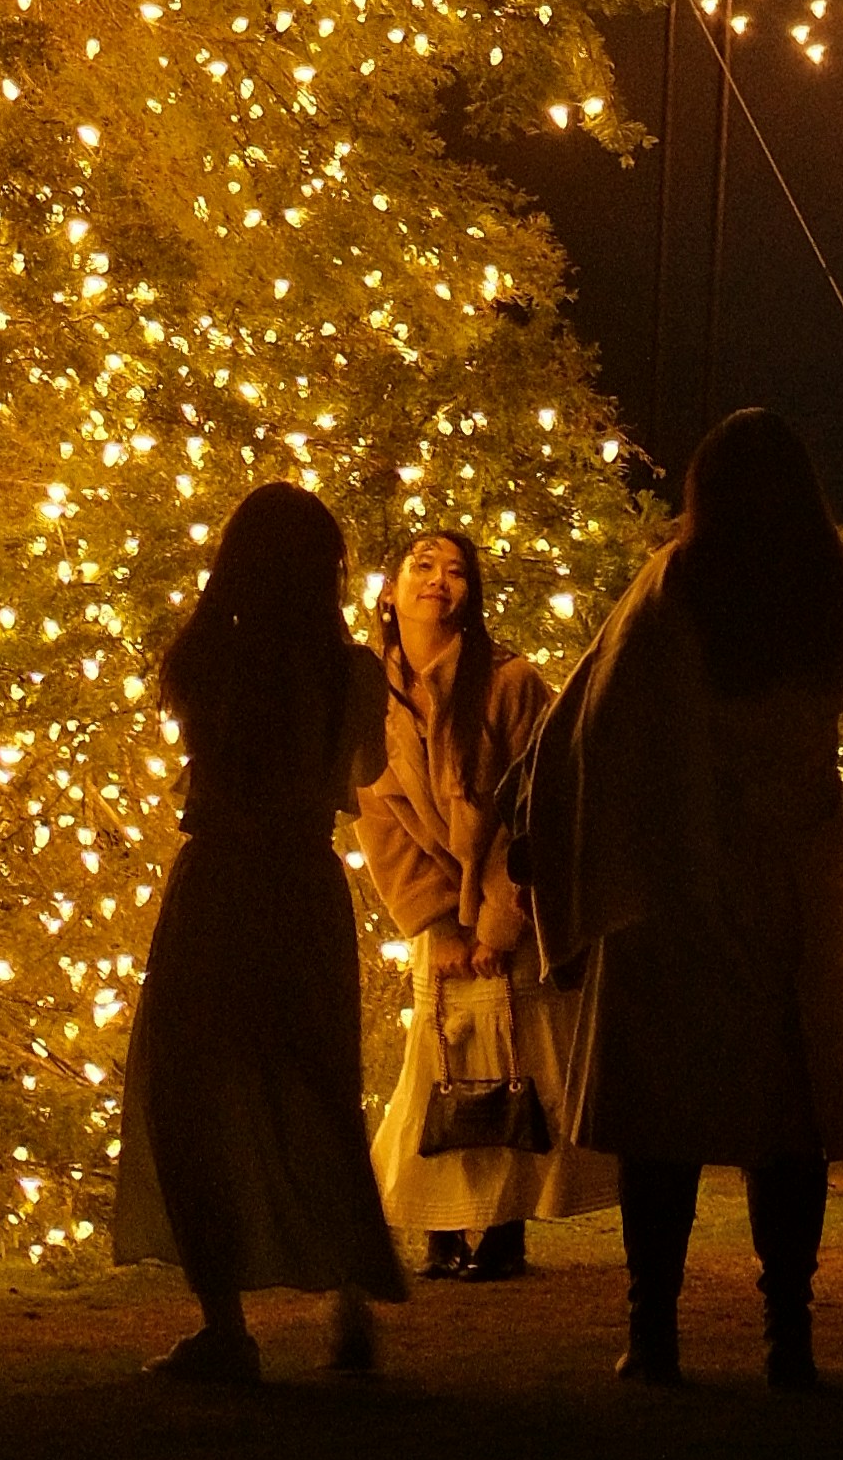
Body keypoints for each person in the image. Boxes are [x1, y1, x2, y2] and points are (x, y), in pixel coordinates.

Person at [517, 403, 843, 1388]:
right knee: (785, 1115)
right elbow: (841, 690)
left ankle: (654, 1331)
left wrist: (582, 852)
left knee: (663, 1118)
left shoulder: (676, 585)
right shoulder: (828, 588)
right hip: (791, 879)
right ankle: (786, 1336)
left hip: (681, 876)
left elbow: (596, 724)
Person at [112, 481, 406, 1385]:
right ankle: (348, 1292)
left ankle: (225, 1321)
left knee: (189, 1088)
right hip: (302, 883)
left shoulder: (209, 657)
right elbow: (365, 769)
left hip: (223, 880)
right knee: (314, 1080)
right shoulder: (347, 669)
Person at [366, 523, 557, 1281]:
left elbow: (534, 804)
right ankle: (439, 1223)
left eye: (454, 571)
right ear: (389, 590)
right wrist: (439, 921)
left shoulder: (509, 682)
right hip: (440, 914)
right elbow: (382, 820)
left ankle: (506, 1226)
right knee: (437, 1066)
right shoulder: (375, 693)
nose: (436, 580)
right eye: (421, 565)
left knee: (512, 1059)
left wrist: (501, 919)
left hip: (508, 900)